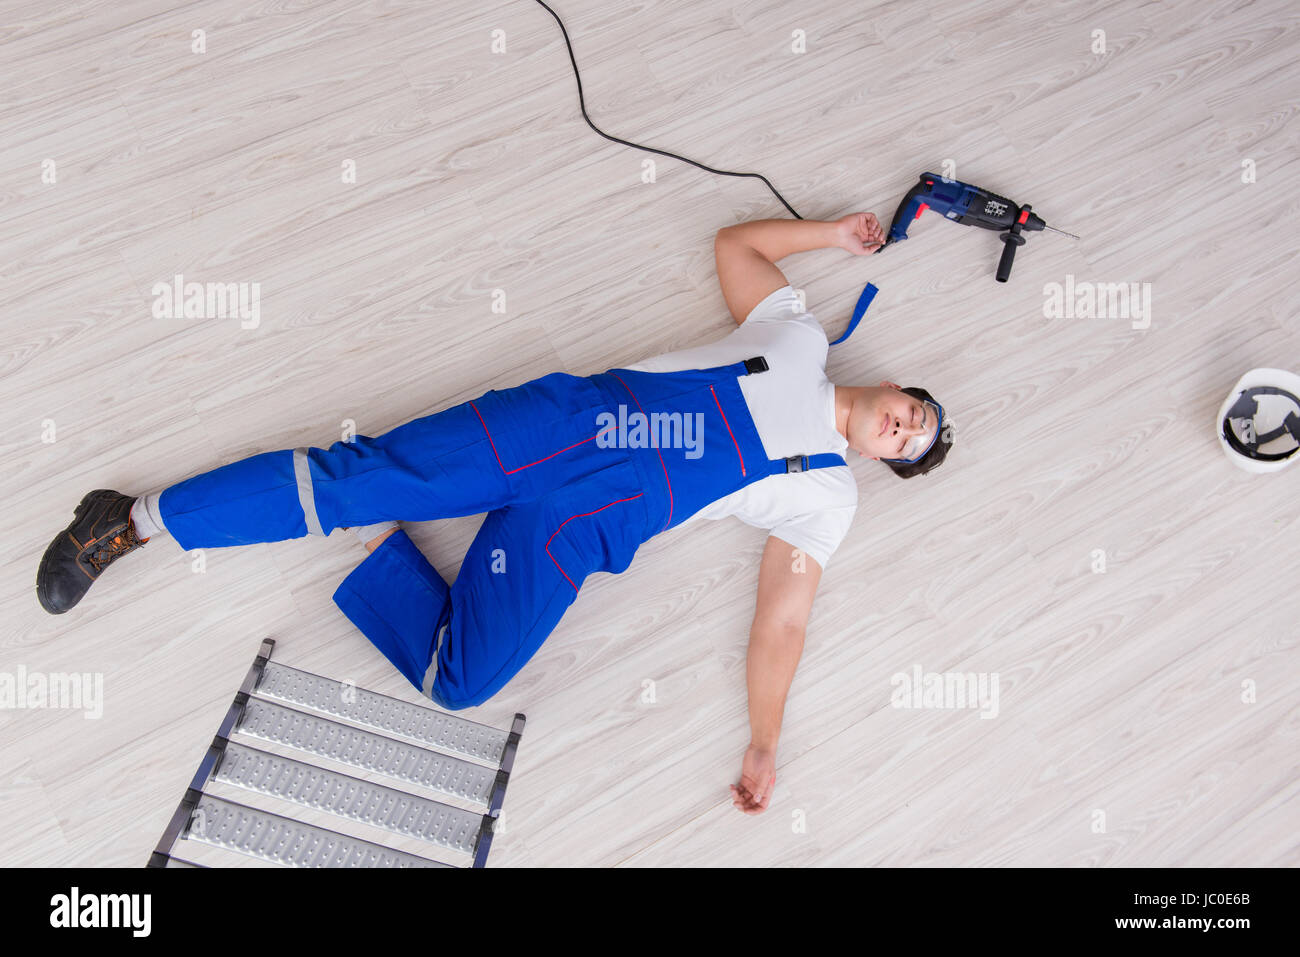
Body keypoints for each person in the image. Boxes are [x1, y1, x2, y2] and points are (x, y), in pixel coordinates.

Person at [36, 212, 951, 814]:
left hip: (579, 529)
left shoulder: (826, 501)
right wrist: (832, 232)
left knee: (461, 681)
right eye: (920, 411)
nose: (910, 427)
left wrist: (763, 738)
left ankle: (384, 537)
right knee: (355, 471)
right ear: (894, 389)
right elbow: (734, 248)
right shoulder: (798, 337)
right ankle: (135, 518)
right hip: (562, 428)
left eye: (912, 445)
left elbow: (782, 623)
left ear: (883, 460)